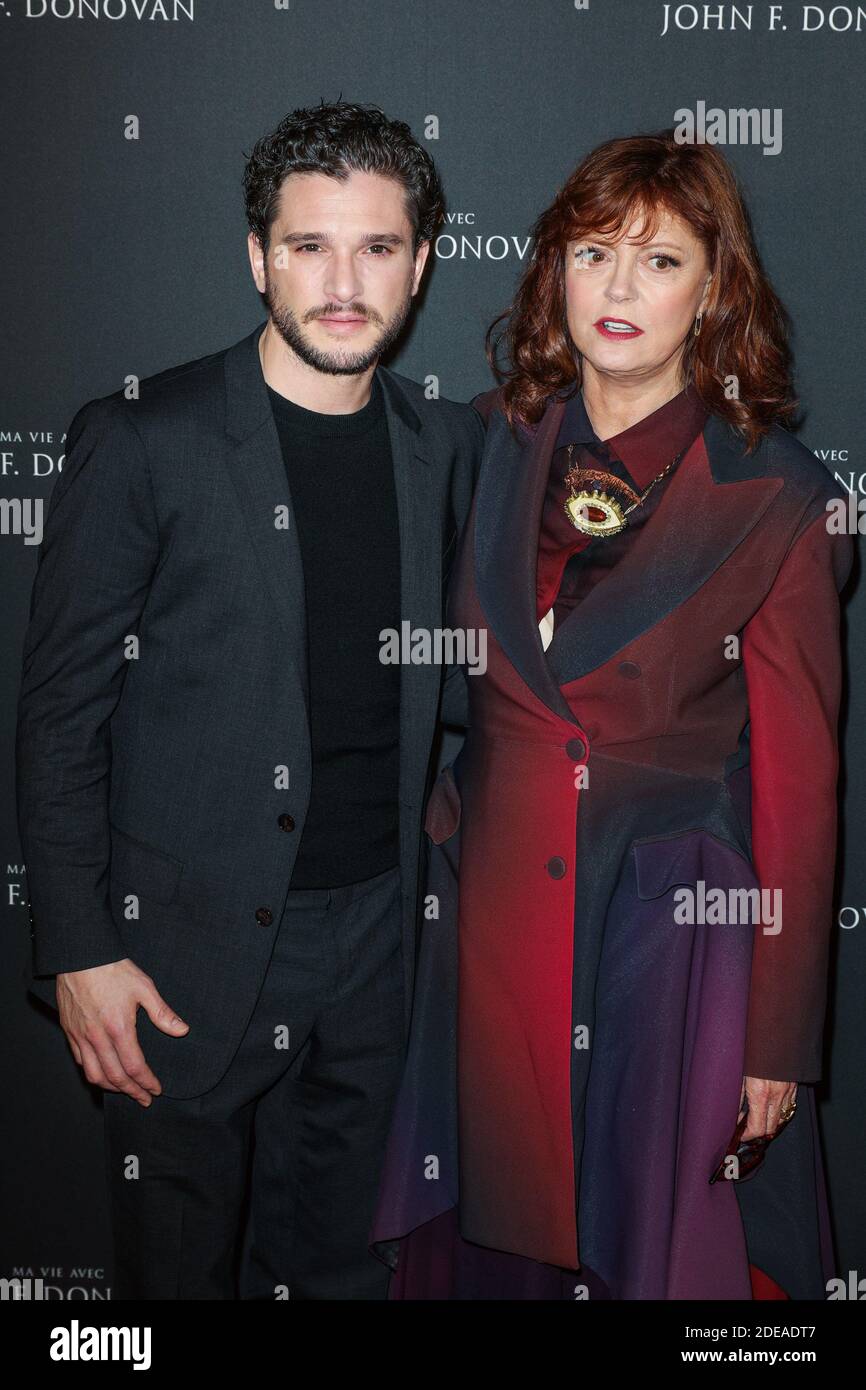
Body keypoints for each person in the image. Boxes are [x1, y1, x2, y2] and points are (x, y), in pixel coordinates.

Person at [370, 130, 853, 1300]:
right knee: (488, 1242)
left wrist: (777, 1041)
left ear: (712, 290)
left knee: (649, 1249)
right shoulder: (482, 439)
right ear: (553, 273)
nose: (619, 290)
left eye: (659, 261)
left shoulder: (779, 498)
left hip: (661, 940)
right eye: (593, 254)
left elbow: (797, 788)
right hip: (484, 923)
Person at [16, 100, 482, 1300]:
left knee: (337, 1271)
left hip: (380, 947)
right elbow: (60, 714)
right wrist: (77, 946)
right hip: (177, 961)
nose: (343, 281)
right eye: (309, 245)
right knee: (169, 1282)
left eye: (377, 247)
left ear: (422, 263)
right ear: (256, 256)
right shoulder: (143, 439)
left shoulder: (446, 448)